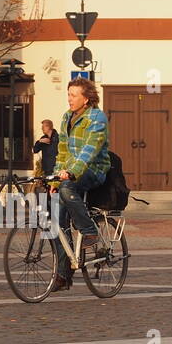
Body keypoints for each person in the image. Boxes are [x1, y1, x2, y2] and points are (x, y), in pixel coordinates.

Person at [49, 78, 110, 292]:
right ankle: (64, 275)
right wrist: (57, 177)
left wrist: (72, 174)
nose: (69, 99)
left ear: (86, 98)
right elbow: (63, 151)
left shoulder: (97, 118)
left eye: (73, 95)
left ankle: (89, 230)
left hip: (93, 170)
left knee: (67, 188)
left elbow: (89, 151)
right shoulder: (67, 117)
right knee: (56, 220)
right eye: (68, 94)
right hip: (70, 174)